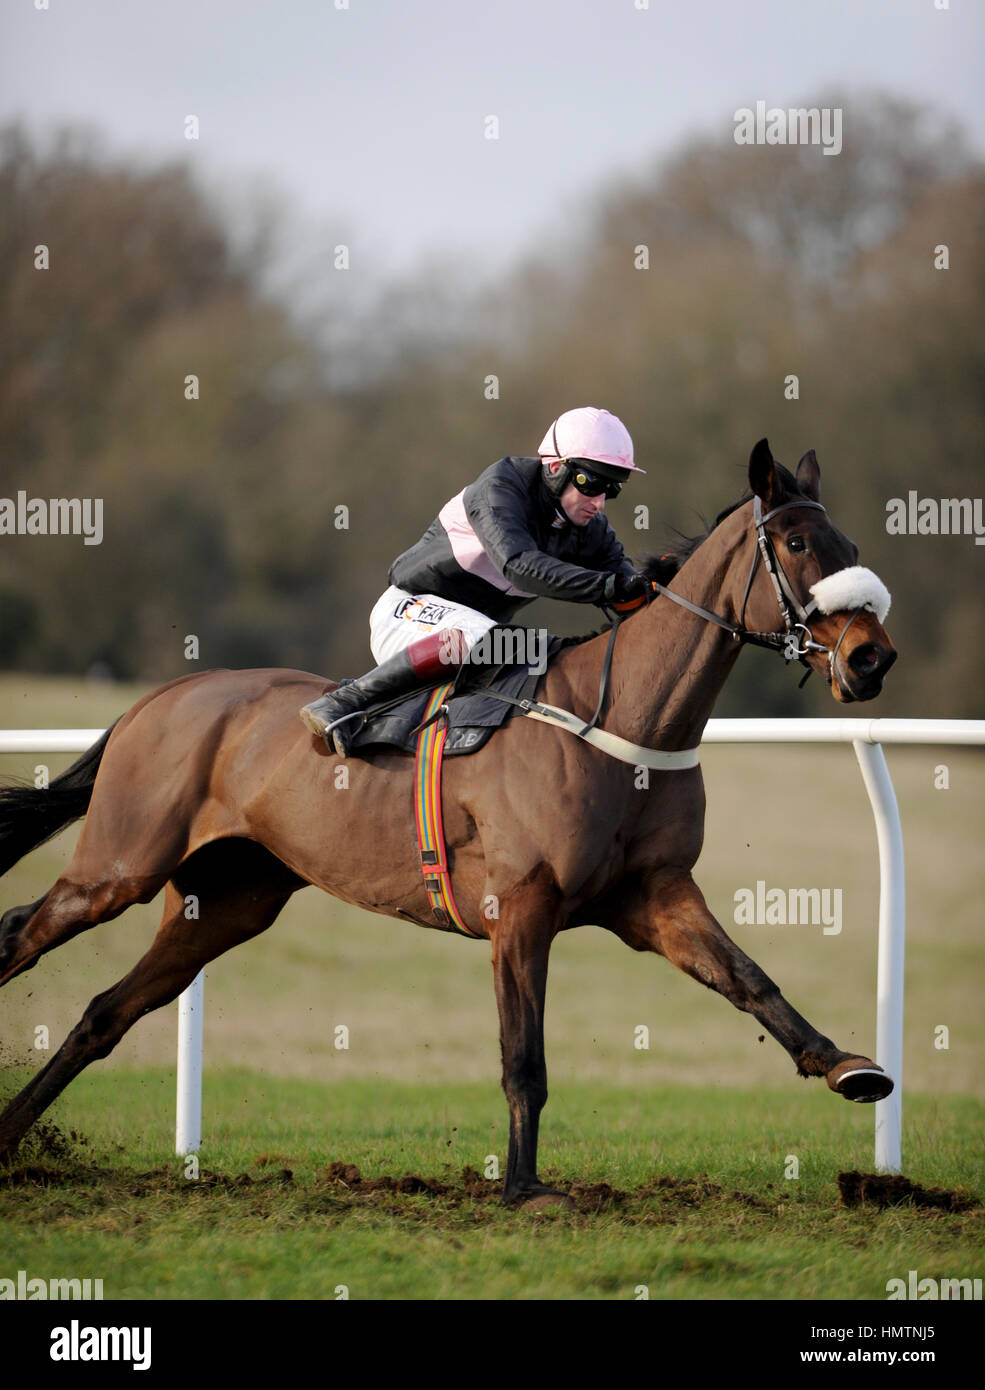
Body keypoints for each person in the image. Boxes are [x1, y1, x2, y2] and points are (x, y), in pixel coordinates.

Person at [300, 405, 650, 756]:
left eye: (613, 488)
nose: (600, 502)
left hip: (479, 638)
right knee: (482, 637)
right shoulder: (501, 487)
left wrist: (651, 586)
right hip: (408, 612)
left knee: (541, 651)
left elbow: (624, 586)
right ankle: (345, 701)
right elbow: (519, 566)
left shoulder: (589, 528)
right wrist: (608, 586)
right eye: (592, 483)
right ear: (556, 467)